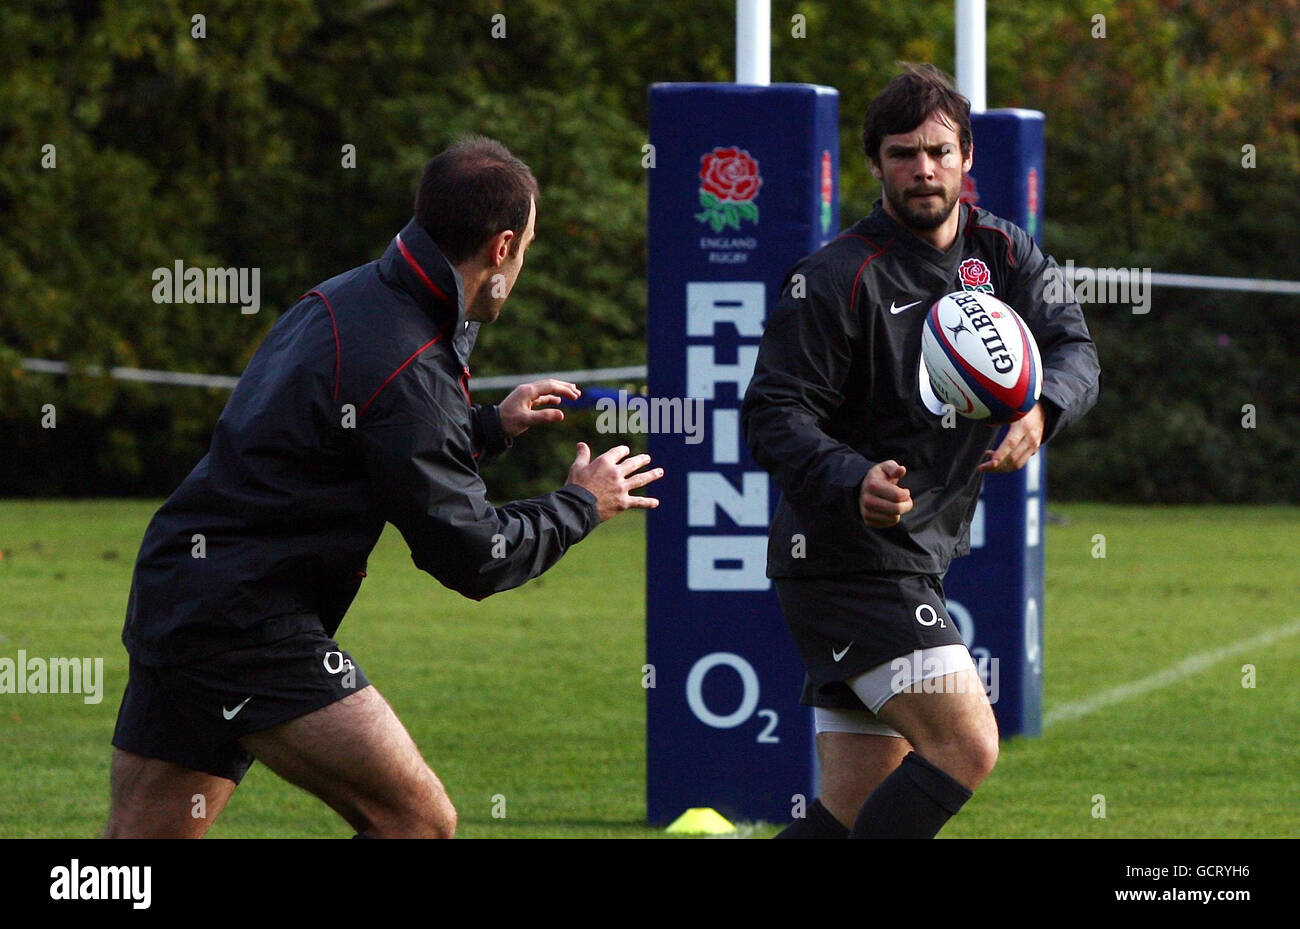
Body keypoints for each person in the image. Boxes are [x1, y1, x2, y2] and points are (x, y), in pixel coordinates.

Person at [106, 136, 663, 838]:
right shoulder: (410, 361)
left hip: (181, 589)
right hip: (246, 621)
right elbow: (473, 554)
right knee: (417, 823)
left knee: (137, 851)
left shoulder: (349, 294)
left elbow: (360, 436)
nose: (521, 268)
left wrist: (487, 424)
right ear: (501, 247)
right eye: (526, 251)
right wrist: (581, 503)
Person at [741, 64, 1100, 839]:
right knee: (967, 744)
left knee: (853, 802)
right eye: (903, 153)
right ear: (876, 163)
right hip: (848, 561)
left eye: (939, 150)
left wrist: (1044, 409)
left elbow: (1075, 347)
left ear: (967, 155)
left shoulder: (1004, 253)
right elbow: (772, 412)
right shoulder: (836, 277)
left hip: (914, 555)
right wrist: (853, 477)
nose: (923, 169)